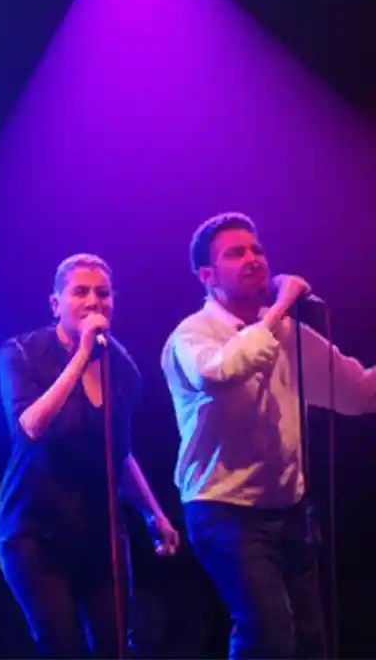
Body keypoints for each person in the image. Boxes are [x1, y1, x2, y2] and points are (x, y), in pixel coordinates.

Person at [161, 212, 376, 659]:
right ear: (207, 275)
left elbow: (357, 392)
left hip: (290, 509)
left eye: (257, 249)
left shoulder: (289, 334)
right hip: (224, 509)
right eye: (235, 253)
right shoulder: (191, 334)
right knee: (268, 636)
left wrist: (279, 319)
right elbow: (220, 373)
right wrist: (281, 307)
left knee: (312, 641)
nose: (253, 258)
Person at [0, 253, 180, 657]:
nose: (94, 301)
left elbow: (120, 451)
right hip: (34, 532)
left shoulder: (123, 367)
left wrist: (154, 513)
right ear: (55, 303)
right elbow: (31, 427)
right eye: (80, 292)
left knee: (116, 646)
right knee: (64, 647)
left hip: (100, 532)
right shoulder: (22, 352)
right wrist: (81, 355)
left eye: (103, 293)